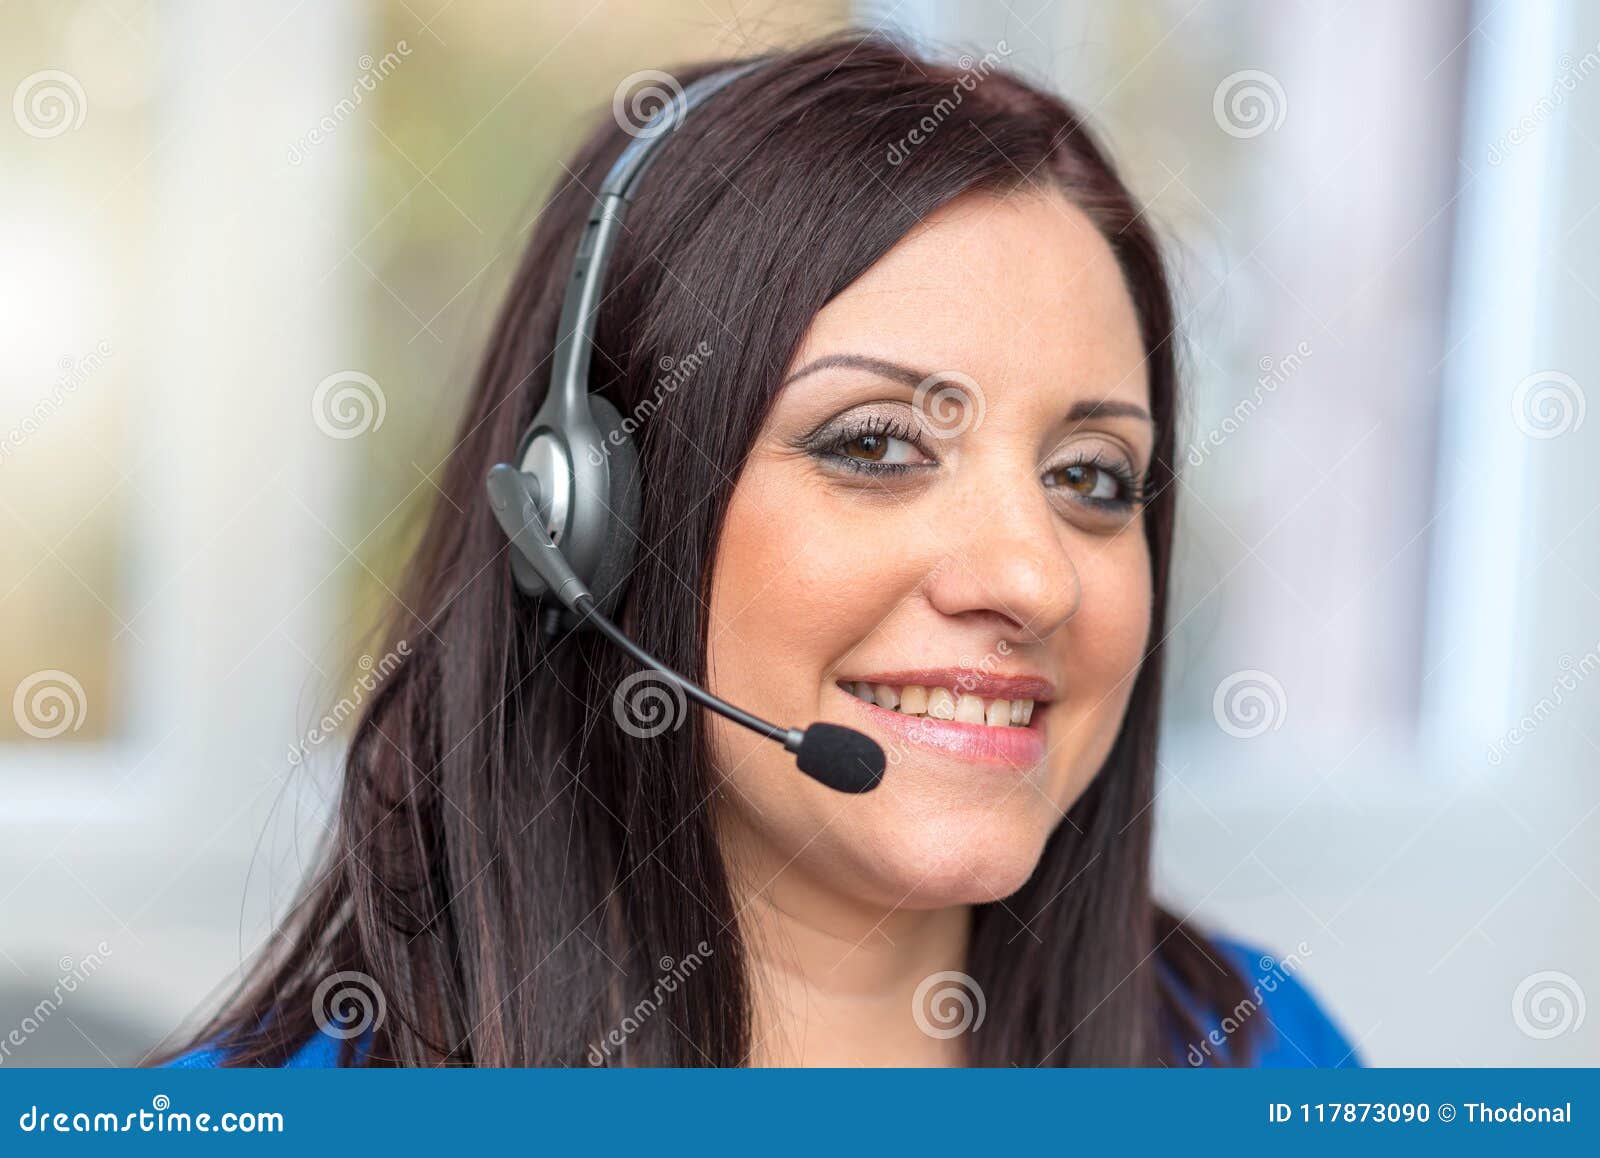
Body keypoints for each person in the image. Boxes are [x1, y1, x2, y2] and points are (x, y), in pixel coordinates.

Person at [163, 30, 1357, 1069]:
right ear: (585, 524)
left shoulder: (1261, 1050)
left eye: (1090, 477)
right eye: (878, 447)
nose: (1033, 578)